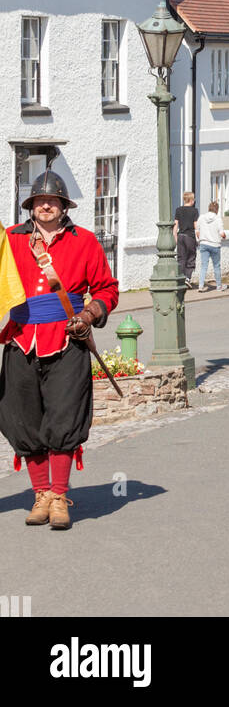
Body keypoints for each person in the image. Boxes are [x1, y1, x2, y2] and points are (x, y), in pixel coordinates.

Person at [0, 172, 119, 529]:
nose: (46, 205)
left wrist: (89, 313)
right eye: (39, 201)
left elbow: (107, 289)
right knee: (24, 418)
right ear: (31, 205)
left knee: (64, 418)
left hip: (68, 339)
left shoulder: (84, 241)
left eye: (52, 201)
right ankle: (40, 495)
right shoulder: (11, 240)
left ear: (64, 206)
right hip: (21, 339)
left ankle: (58, 495)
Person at [196, 200, 229, 292]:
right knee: (216, 266)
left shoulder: (201, 217)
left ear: (209, 208)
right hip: (215, 245)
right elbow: (222, 234)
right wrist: (224, 236)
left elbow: (197, 231)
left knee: (203, 266)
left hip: (204, 244)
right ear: (217, 210)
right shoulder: (218, 219)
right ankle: (219, 286)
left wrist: (202, 238)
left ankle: (201, 286)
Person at [173, 191, 199, 288]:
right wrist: (199, 238)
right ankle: (187, 278)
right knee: (191, 258)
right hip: (190, 236)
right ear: (191, 200)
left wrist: (175, 237)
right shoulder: (194, 211)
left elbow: (175, 225)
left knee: (181, 258)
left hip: (181, 236)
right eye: (194, 199)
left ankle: (181, 278)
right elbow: (196, 226)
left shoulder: (178, 210)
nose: (194, 200)